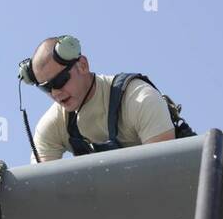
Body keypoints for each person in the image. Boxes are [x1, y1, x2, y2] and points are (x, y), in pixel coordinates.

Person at [19, 35, 192, 162]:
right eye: (46, 88)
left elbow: (166, 174)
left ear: (83, 65)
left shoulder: (139, 99)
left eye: (60, 80)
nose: (55, 93)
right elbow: (43, 190)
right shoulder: (52, 126)